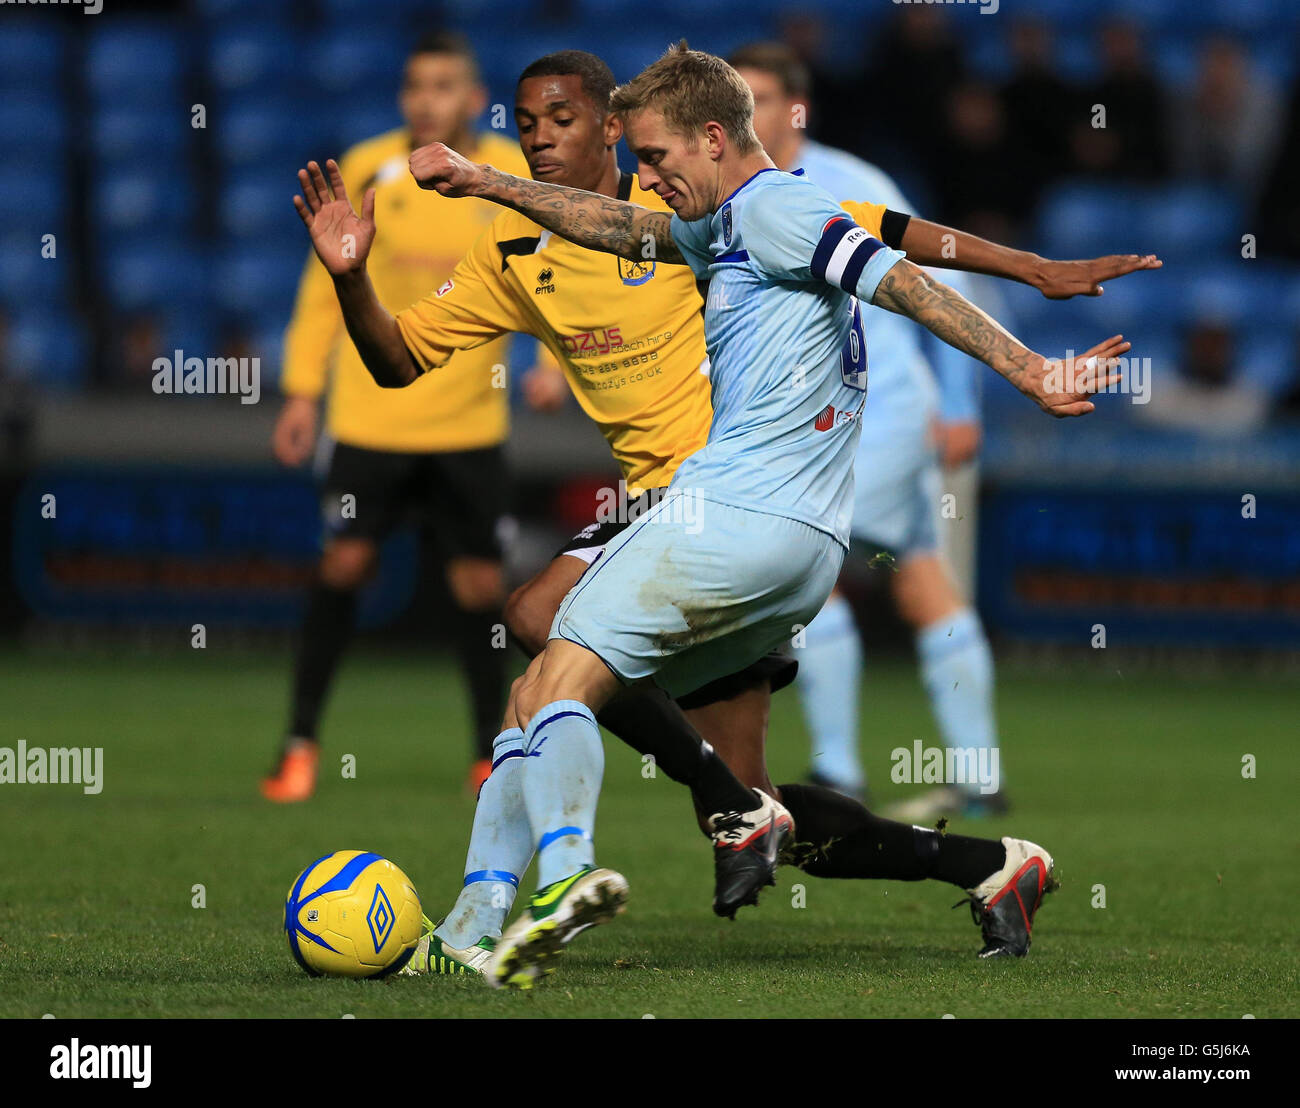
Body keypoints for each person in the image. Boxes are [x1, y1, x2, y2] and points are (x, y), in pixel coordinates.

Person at [395, 43, 1131, 986]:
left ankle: (560, 884)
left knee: (548, 672)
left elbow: (900, 279)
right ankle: (987, 865)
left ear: (712, 137)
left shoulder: (780, 207)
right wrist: (478, 180)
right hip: (801, 547)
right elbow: (611, 223)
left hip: (731, 515)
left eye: (658, 157)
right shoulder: (723, 223)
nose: (649, 177)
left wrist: (1031, 369)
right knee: (719, 777)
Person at [731, 41, 998, 816]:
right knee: (919, 579)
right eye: (734, 99)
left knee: (805, 574)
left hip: (880, 414)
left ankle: (839, 770)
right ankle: (981, 776)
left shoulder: (852, 184)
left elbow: (939, 284)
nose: (747, 114)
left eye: (762, 98)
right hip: (816, 420)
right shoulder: (733, 193)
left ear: (797, 108)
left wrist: (960, 404)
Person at [263, 32, 527, 802]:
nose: (425, 99)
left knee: (481, 588)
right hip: (371, 419)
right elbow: (326, 289)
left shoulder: (506, 174)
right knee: (342, 565)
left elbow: (557, 269)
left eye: (442, 85)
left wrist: (553, 368)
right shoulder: (373, 165)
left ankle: (488, 754)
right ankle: (300, 743)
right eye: (415, 85)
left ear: (476, 99)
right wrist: (301, 393)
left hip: (470, 426)